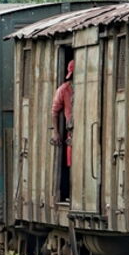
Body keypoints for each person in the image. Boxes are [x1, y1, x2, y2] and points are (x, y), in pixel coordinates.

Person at [50, 60, 74, 201]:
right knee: (71, 163)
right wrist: (56, 132)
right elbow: (54, 111)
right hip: (72, 131)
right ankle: (72, 193)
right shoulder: (63, 90)